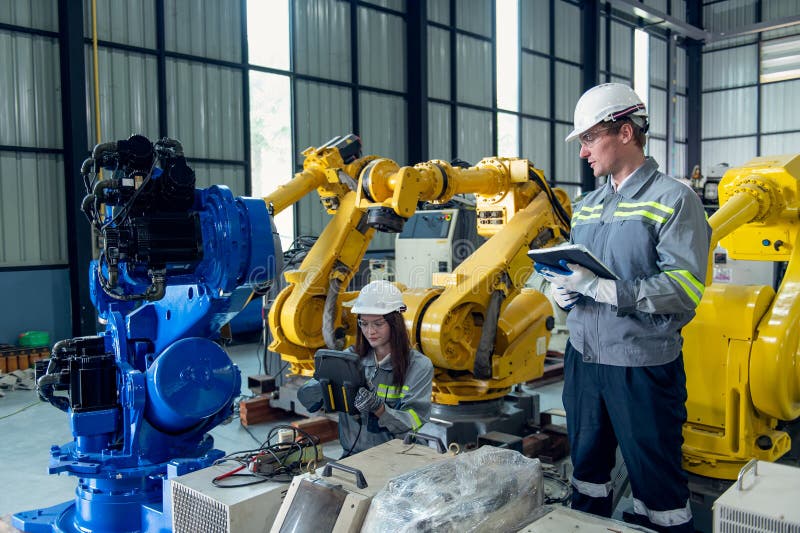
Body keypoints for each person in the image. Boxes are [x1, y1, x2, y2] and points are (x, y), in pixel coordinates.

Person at [537, 83, 711, 533]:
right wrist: (560, 288)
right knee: (588, 476)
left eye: (590, 139)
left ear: (626, 133)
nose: (584, 153)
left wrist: (603, 289)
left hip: (640, 367)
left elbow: (685, 288)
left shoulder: (675, 200)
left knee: (658, 488)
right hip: (583, 362)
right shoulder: (587, 206)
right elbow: (572, 267)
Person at [297, 280, 434, 456]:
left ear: (395, 323)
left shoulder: (418, 366)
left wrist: (380, 409)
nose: (370, 331)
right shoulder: (350, 358)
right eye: (364, 323)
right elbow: (305, 398)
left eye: (378, 324)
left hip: (399, 456)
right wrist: (323, 382)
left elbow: (413, 421)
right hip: (354, 455)